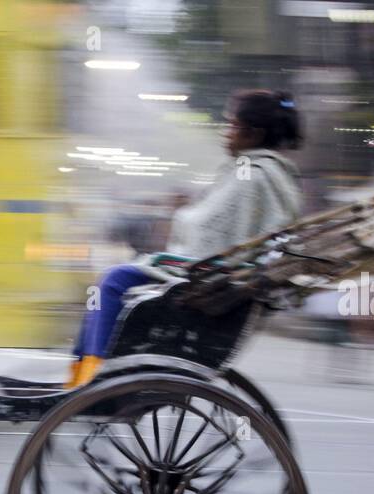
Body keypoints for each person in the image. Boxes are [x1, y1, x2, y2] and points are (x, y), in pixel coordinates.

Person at [68, 89, 306, 386]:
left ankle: (92, 376)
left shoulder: (255, 176)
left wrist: (184, 216)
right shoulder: (262, 172)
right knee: (113, 279)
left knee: (114, 279)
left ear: (253, 134)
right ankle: (83, 375)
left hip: (210, 282)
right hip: (214, 279)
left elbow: (211, 231)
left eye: (231, 125)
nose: (226, 133)